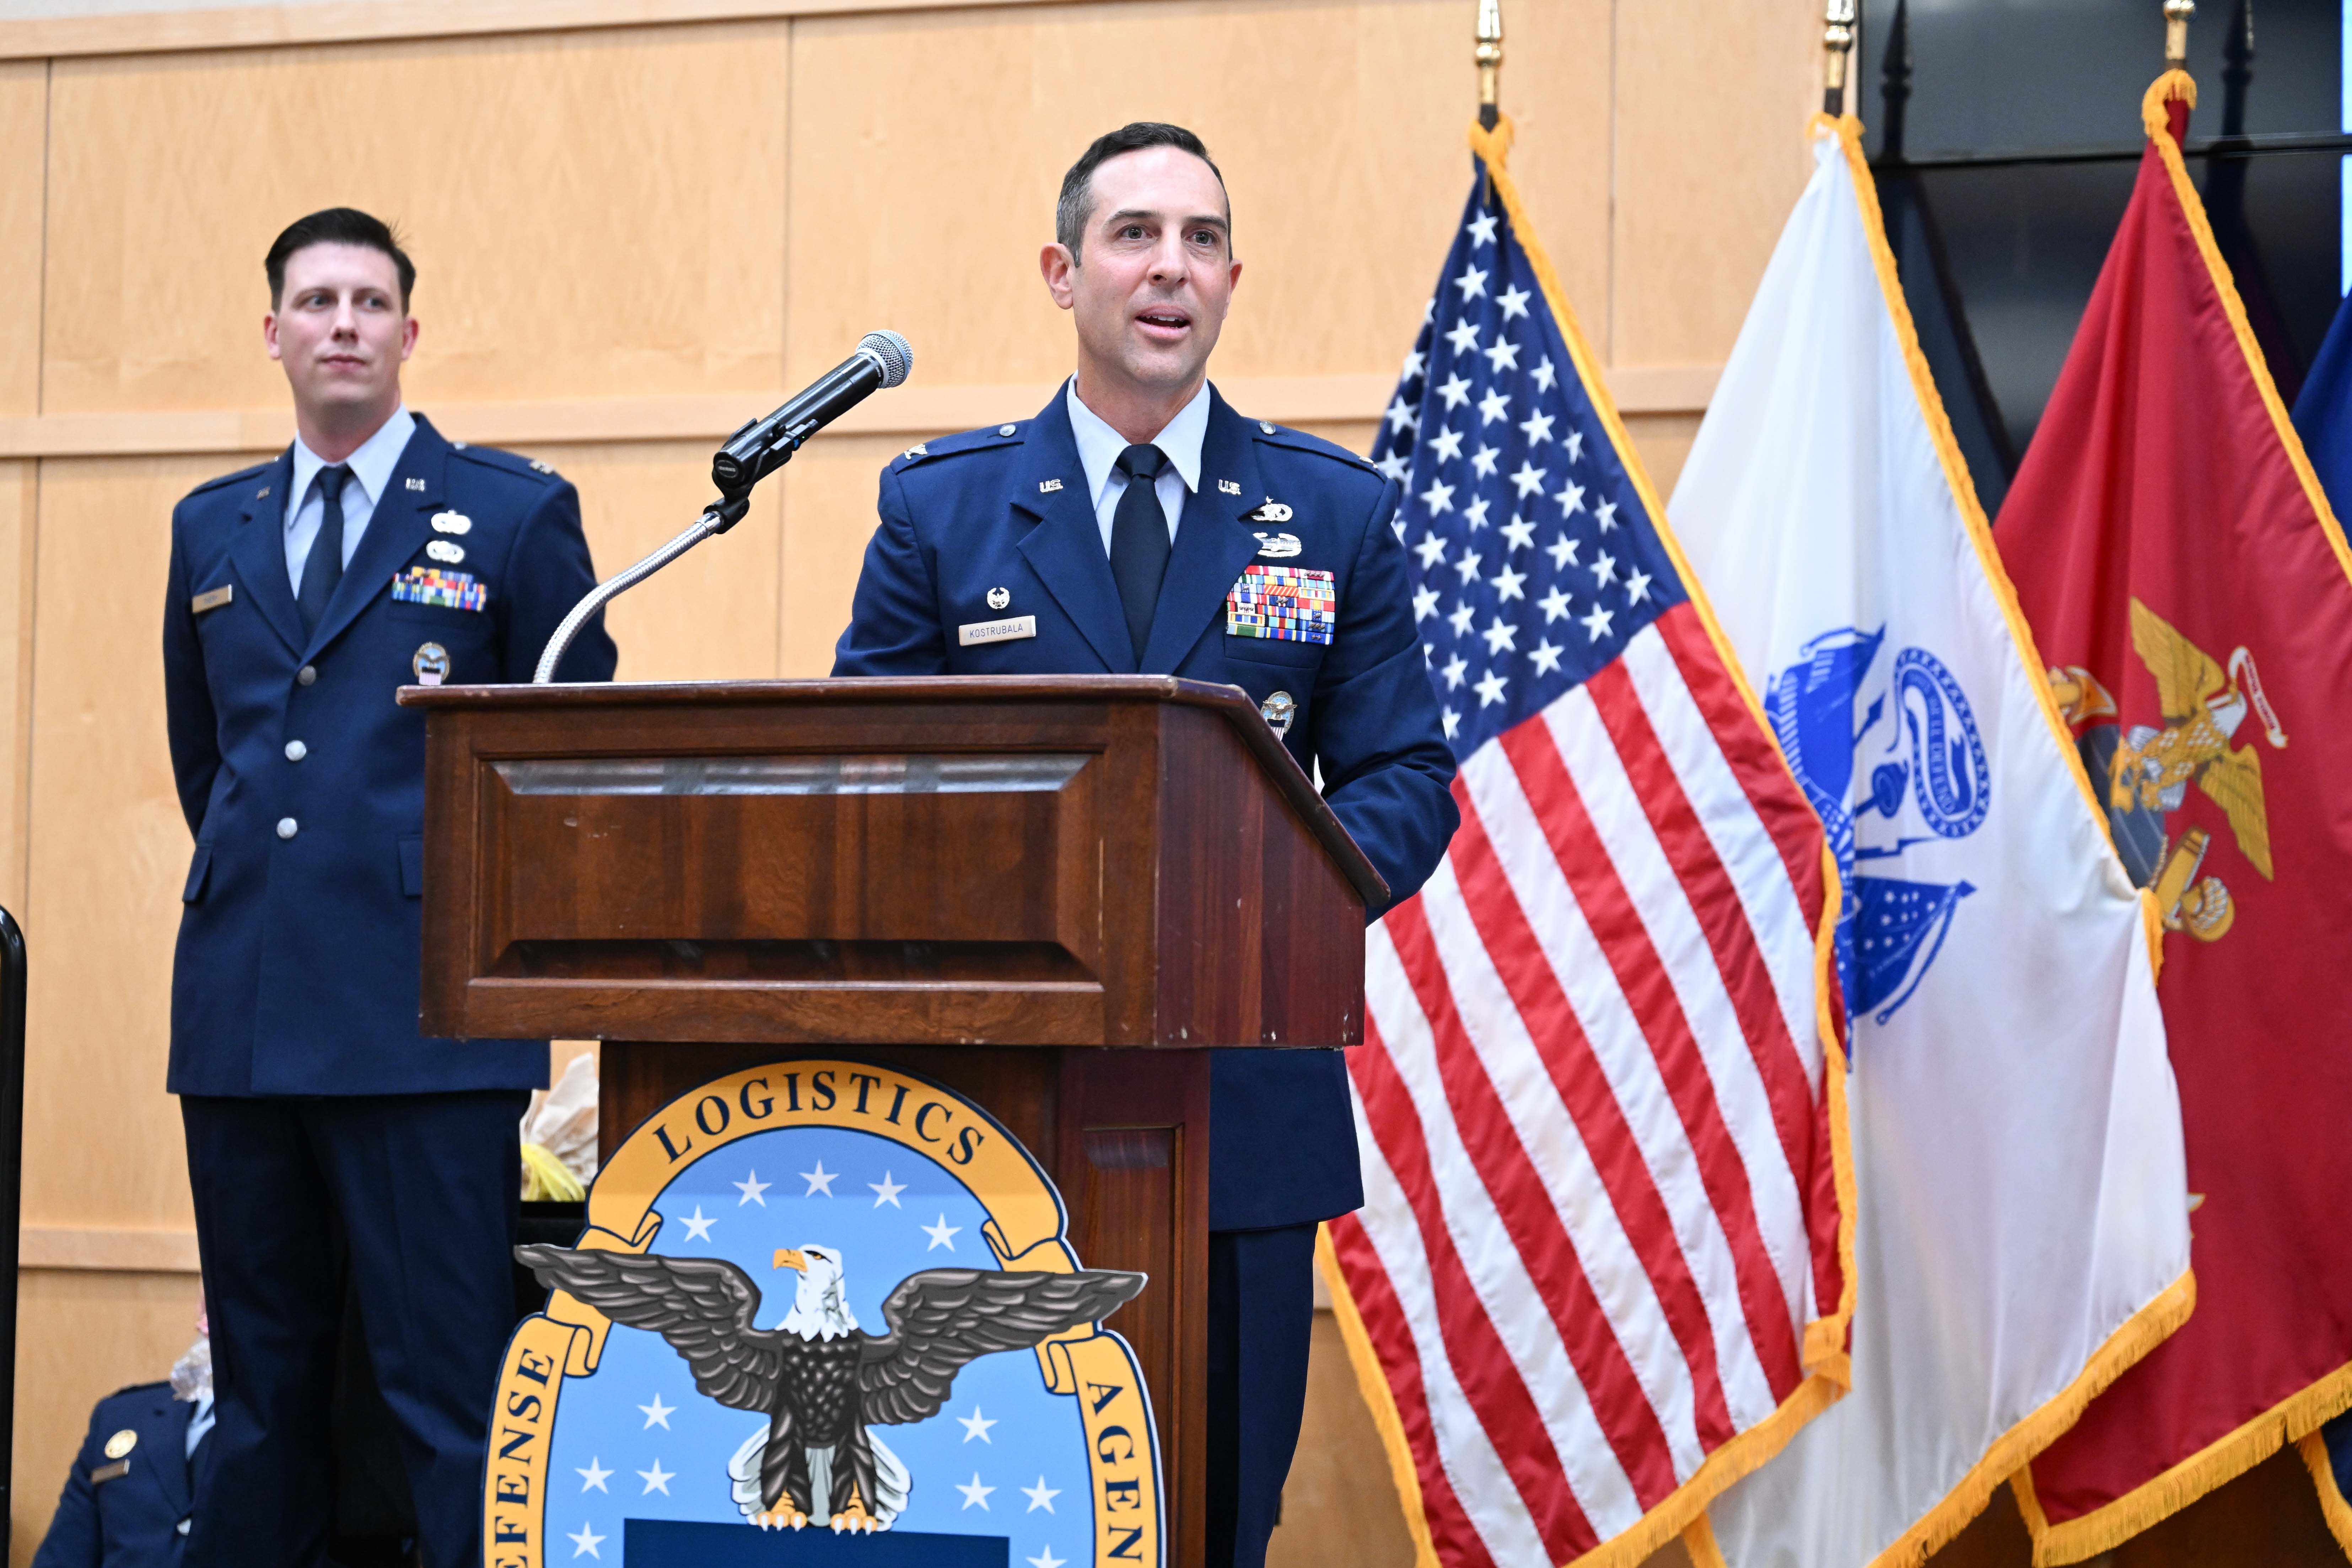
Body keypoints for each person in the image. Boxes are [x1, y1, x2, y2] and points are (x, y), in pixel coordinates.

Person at [831, 123, 1457, 1567]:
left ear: (1232, 277)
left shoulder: (1334, 511)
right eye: (1132, 235)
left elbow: (1404, 775)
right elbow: (867, 770)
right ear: (1063, 271)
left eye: (1198, 239)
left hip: (1241, 1103)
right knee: (995, 1508)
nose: (1167, 267)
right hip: (995, 1104)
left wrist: (1256, 892)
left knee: (1216, 1512)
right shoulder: (945, 506)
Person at [160, 208, 617, 1567]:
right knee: (262, 1403)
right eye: (316, 302)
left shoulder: (510, 512)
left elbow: (568, 758)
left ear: (409, 334)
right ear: (275, 332)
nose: (343, 324)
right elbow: (213, 766)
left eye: (369, 302)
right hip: (242, 1020)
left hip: (421, 1025)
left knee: (447, 1398)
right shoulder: (210, 525)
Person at [32, 1326, 217, 1567]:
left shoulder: (278, 1426)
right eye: (206, 1302)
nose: (209, 1320)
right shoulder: (121, 1415)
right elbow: (64, 1555)